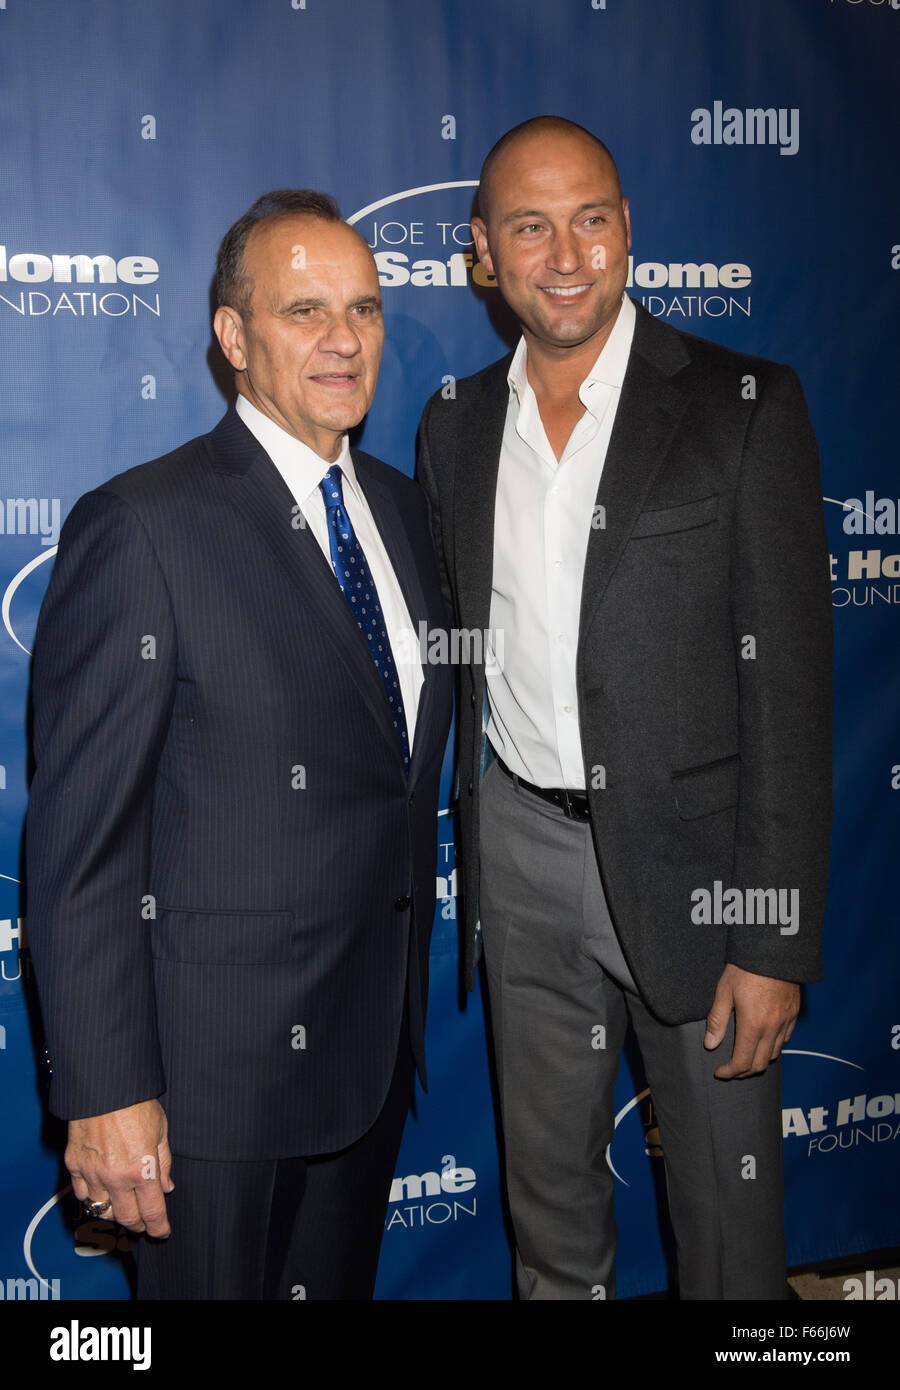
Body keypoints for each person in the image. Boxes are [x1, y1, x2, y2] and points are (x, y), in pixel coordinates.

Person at [416, 117, 832, 1300]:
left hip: (705, 878)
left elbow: (793, 695)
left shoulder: (743, 403)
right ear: (482, 252)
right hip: (523, 859)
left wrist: (774, 937)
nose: (566, 253)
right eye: (530, 225)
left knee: (731, 1235)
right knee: (550, 1222)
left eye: (591, 218)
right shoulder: (453, 426)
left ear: (629, 233)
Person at [27, 189, 452, 1300]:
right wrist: (107, 1091)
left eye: (363, 308)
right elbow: (81, 847)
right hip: (203, 1095)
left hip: (365, 1064)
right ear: (232, 336)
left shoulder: (408, 514)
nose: (344, 339)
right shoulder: (144, 527)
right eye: (304, 310)